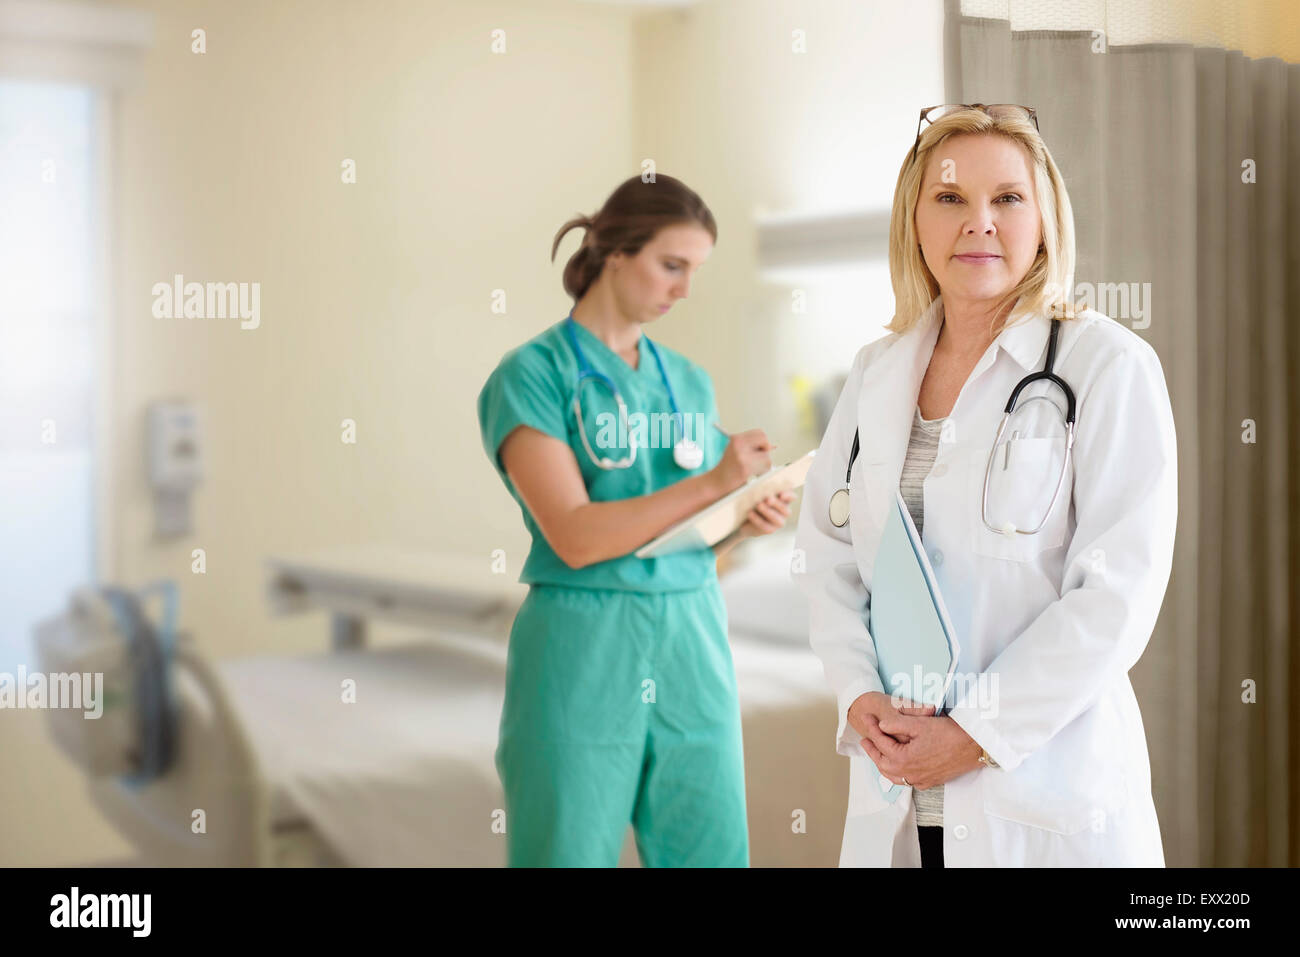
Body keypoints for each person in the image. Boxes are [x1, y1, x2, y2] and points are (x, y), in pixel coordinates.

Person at [794, 105, 1177, 867]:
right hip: (899, 799)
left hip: (1037, 797)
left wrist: (972, 737)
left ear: (1043, 219)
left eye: (1006, 198)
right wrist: (856, 693)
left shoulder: (1107, 366)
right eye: (949, 198)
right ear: (915, 220)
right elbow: (827, 554)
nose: (979, 222)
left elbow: (1115, 596)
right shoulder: (875, 373)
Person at [477, 173, 795, 867]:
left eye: (694, 271)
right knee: (566, 851)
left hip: (692, 637)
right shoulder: (532, 375)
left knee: (708, 852)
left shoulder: (687, 380)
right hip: (582, 643)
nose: (683, 290)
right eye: (671, 265)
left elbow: (691, 543)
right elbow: (578, 535)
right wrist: (716, 479)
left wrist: (743, 519)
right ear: (613, 250)